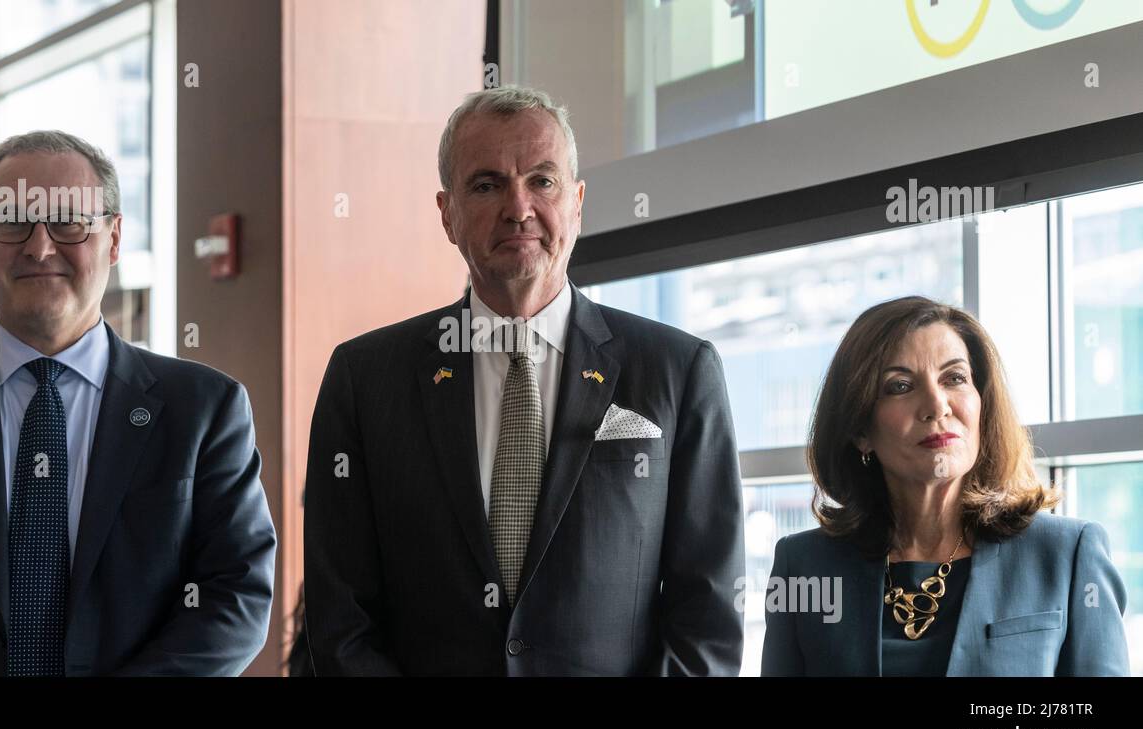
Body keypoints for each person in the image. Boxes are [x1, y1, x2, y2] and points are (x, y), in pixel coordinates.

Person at [303, 85, 744, 675]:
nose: (518, 208)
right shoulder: (364, 380)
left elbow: (708, 622)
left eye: (543, 181)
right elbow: (341, 621)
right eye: (486, 185)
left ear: (578, 203)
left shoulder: (677, 371)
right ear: (447, 214)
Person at [0, 130, 276, 676]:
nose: (39, 245)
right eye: (12, 218)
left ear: (114, 239)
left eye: (68, 219)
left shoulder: (205, 409)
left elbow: (236, 595)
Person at [762, 296, 1129, 676]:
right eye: (900, 386)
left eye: (954, 378)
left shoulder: (1068, 554)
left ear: (981, 402)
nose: (937, 406)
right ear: (860, 430)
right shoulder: (801, 566)